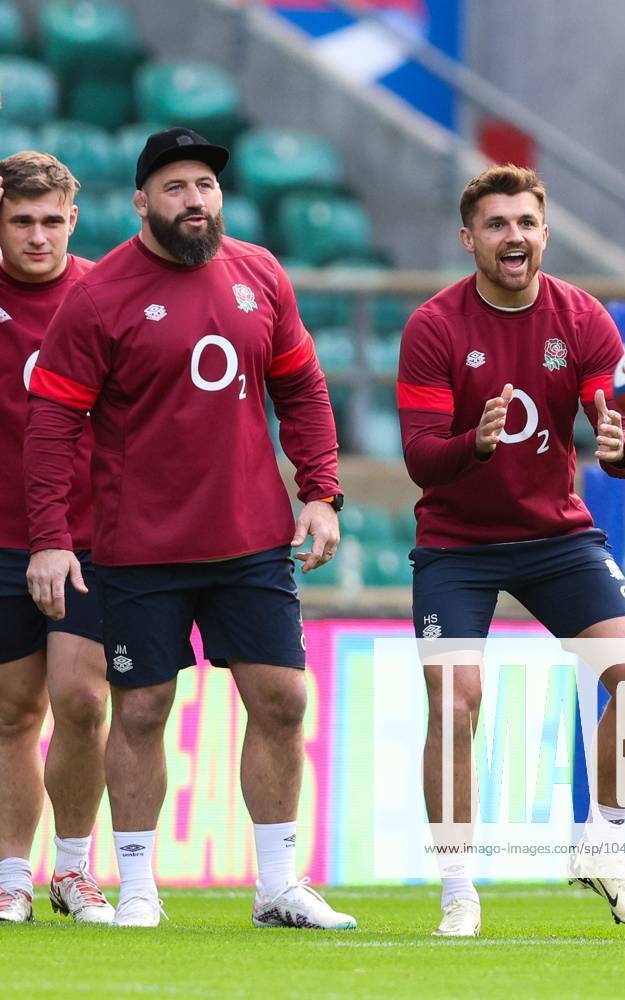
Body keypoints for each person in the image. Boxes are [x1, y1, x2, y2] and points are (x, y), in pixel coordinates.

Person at [24, 128, 355, 931]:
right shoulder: (98, 297)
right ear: (141, 202)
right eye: (175, 187)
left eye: (205, 184)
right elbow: (53, 423)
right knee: (140, 711)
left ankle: (278, 884)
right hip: (140, 549)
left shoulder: (261, 274)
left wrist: (321, 493)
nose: (195, 200)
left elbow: (303, 388)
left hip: (251, 543)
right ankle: (138, 888)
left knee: (280, 701)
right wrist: (51, 537)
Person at [397, 164, 625, 937]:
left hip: (556, 535)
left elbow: (624, 429)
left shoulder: (581, 318)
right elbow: (419, 456)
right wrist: (470, 447)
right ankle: (458, 890)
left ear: (543, 233)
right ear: (469, 238)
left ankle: (603, 850)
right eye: (496, 224)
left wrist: (621, 449)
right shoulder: (435, 327)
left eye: (525, 222)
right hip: (456, 544)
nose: (513, 236)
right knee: (454, 702)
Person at [0, 152, 114, 924]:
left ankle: (72, 873)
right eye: (20, 221)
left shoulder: (107, 295)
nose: (38, 236)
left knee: (80, 700)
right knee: (12, 711)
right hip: (4, 538)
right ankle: (11, 877)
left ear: (73, 220)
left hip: (91, 538)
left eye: (51, 221)